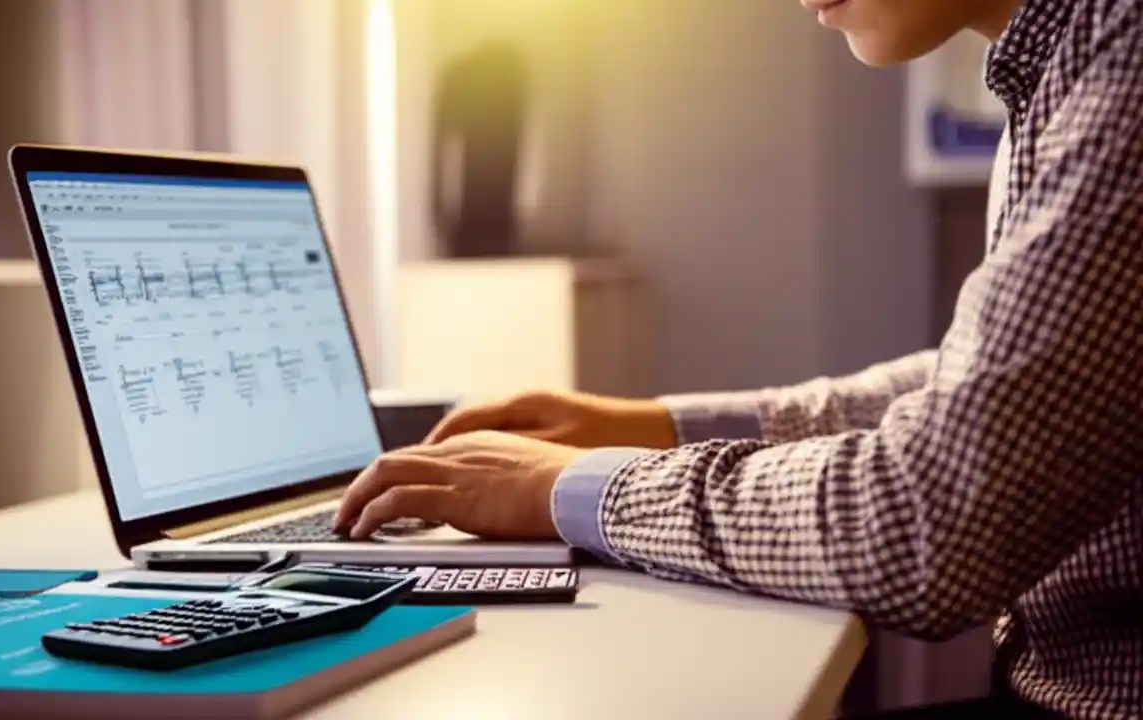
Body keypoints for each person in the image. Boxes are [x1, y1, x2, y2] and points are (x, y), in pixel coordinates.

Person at [334, 0, 1143, 717]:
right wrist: (657, 425)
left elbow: (929, 521)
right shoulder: (1061, 64)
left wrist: (565, 488)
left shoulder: (1123, 52)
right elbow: (992, 388)